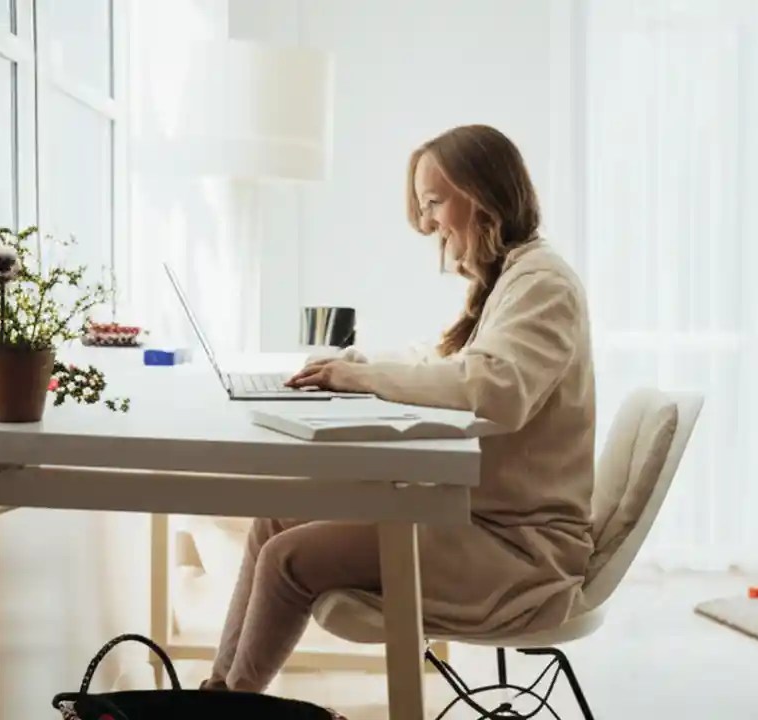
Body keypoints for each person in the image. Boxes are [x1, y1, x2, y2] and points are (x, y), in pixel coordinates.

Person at [202, 124, 596, 692]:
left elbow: (495, 388)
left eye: (434, 202)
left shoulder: (542, 283)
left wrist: (361, 377)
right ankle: (217, 696)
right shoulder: (513, 278)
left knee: (289, 558)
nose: (429, 223)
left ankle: (230, 707)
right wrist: (356, 366)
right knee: (276, 517)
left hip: (519, 551)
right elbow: (443, 360)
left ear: (480, 196)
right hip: (480, 522)